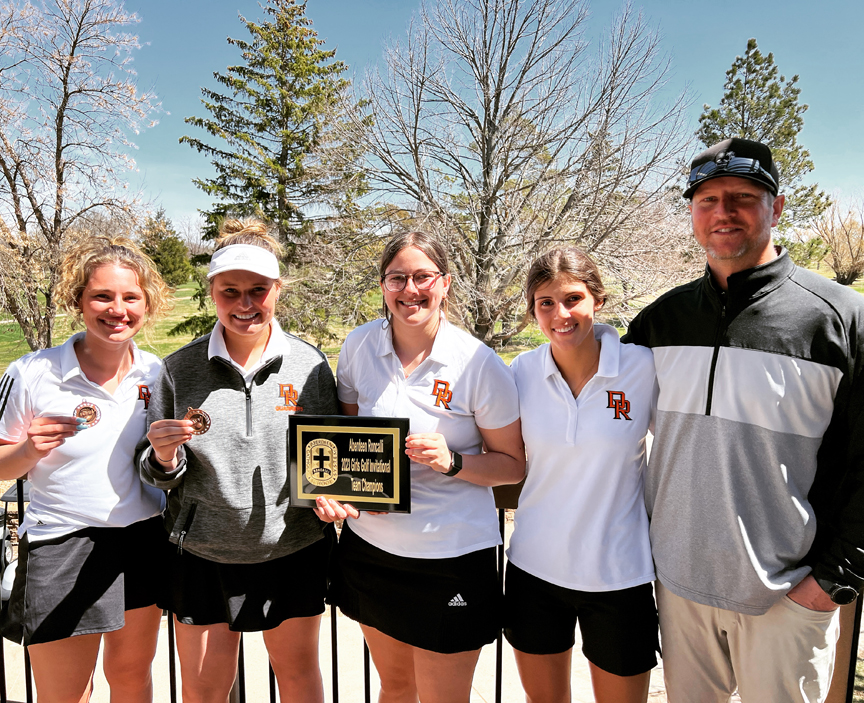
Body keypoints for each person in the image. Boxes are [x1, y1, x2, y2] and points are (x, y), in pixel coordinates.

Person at [623, 137, 864, 703]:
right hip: (679, 592)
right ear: (690, 214)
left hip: (787, 596)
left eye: (742, 196)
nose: (722, 212)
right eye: (706, 199)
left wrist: (831, 582)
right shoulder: (662, 320)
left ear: (776, 208)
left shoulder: (839, 321)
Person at [316, 231, 525, 703]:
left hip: (451, 558)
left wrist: (453, 462)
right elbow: (349, 445)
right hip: (372, 550)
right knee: (395, 687)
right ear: (383, 286)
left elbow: (512, 466)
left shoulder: (479, 364)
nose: (410, 290)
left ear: (445, 283)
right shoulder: (358, 346)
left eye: (422, 277)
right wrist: (342, 494)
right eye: (397, 278)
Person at [137, 218, 337, 703]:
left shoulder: (310, 364)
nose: (245, 304)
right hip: (203, 554)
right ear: (212, 293)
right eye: (231, 292)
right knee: (204, 690)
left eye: (258, 290)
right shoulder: (178, 368)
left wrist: (333, 492)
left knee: (298, 680)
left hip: (292, 548)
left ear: (277, 291)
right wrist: (163, 458)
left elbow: (328, 455)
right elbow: (155, 469)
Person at [0, 236, 171, 703]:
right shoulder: (32, 372)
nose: (117, 309)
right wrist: (28, 452)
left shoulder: (158, 375)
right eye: (102, 295)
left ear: (146, 304)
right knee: (65, 692)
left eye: (130, 297)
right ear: (78, 301)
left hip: (141, 539)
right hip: (61, 543)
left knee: (132, 679)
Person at [504, 248, 659, 703]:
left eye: (573, 299)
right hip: (535, 571)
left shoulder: (641, 368)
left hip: (619, 576)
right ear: (533, 309)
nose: (561, 314)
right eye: (545, 303)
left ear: (598, 300)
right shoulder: (520, 373)